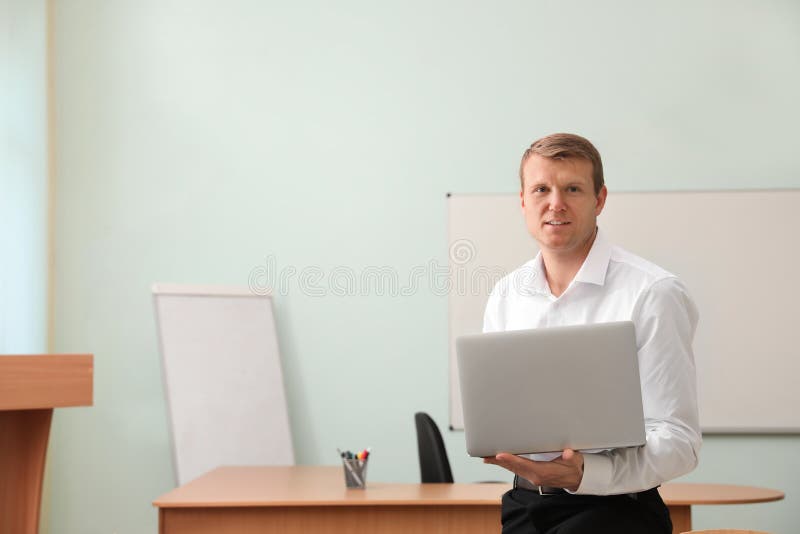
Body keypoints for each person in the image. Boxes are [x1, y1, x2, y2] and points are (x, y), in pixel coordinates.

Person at [481, 133, 701, 534]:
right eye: (541, 189)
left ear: (599, 199)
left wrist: (586, 472)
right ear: (523, 201)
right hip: (523, 507)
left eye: (573, 189)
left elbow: (679, 442)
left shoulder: (653, 293)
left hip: (615, 514)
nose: (555, 203)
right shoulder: (506, 294)